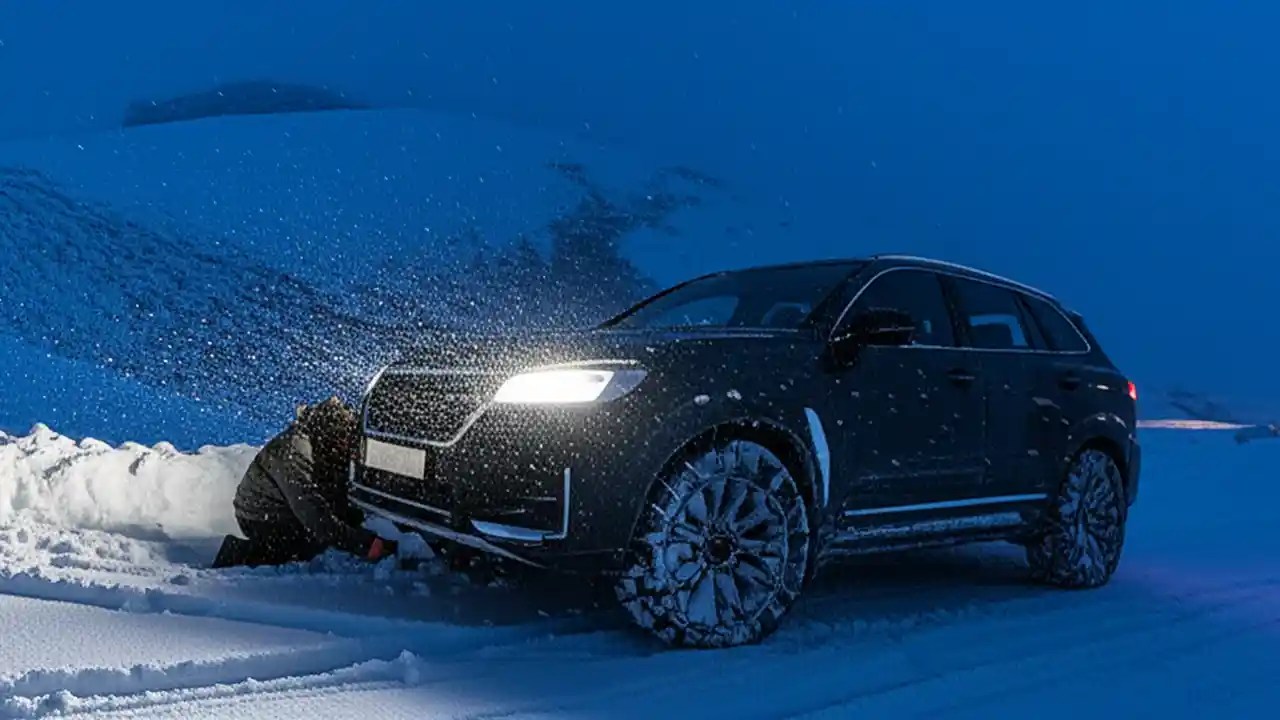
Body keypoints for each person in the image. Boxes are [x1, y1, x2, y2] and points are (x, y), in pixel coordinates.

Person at [212, 397, 398, 568]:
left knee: (341, 523)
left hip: (291, 505)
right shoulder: (294, 452)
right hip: (261, 515)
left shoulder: (326, 441)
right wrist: (365, 544)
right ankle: (237, 552)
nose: (346, 448)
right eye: (342, 443)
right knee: (308, 546)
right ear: (328, 434)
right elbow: (313, 514)